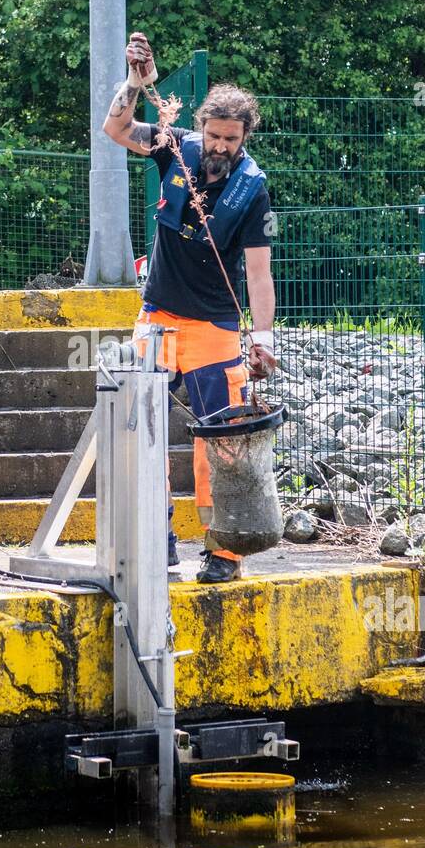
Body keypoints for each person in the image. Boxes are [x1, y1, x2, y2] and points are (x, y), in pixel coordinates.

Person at [102, 30, 277, 583]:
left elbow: (258, 270)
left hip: (215, 330)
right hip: (156, 318)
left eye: (231, 138)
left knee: (220, 443)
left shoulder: (253, 189)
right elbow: (116, 129)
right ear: (200, 128)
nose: (221, 146)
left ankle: (224, 552)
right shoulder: (174, 147)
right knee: (140, 430)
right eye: (214, 134)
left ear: (245, 136)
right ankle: (156, 540)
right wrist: (133, 84)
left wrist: (263, 337)